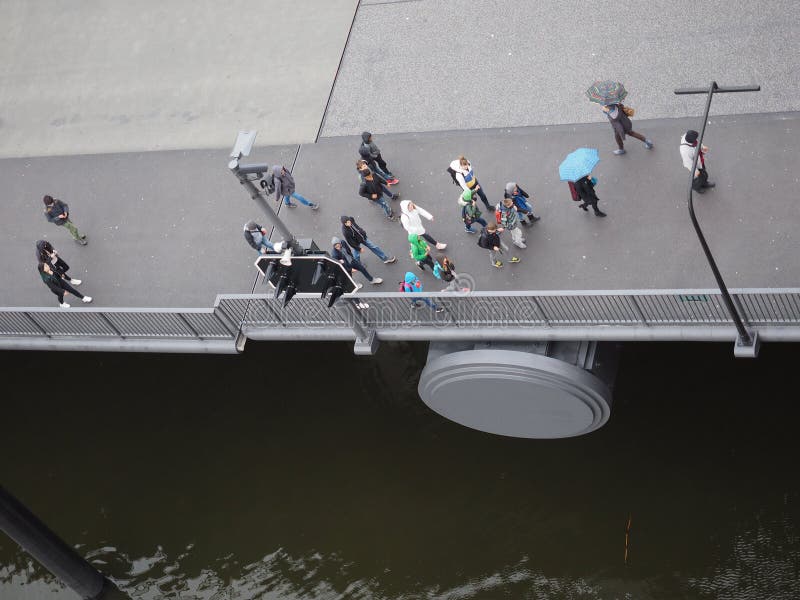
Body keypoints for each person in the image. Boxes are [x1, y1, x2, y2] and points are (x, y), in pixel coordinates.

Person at [36, 242, 93, 308]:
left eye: (46, 265)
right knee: (60, 296)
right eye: (46, 266)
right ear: (43, 270)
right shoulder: (46, 279)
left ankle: (83, 298)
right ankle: (62, 303)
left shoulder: (51, 269)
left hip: (60, 281)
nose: (48, 266)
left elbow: (57, 272)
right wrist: (63, 291)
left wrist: (61, 275)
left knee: (72, 290)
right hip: (57, 287)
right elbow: (53, 287)